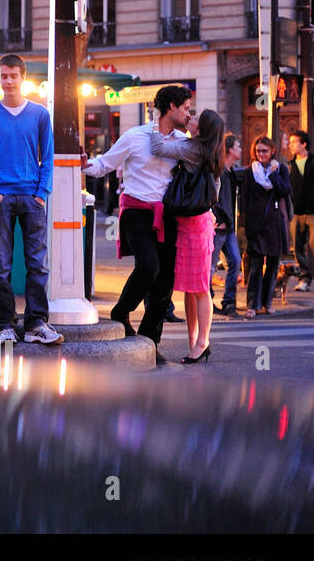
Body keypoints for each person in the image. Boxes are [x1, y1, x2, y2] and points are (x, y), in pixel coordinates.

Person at [82, 84, 193, 363]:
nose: (189, 113)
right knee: (149, 267)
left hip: (167, 214)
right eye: (186, 108)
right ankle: (121, 311)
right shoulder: (134, 136)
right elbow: (104, 165)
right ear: (171, 107)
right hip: (137, 212)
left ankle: (149, 342)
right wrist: (83, 163)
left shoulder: (183, 139)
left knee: (165, 280)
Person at [0, 55, 63, 345]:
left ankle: (37, 324)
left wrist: (42, 193)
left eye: (14, 75)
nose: (9, 81)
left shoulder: (39, 114)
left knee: (38, 264)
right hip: (2, 197)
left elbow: (48, 156)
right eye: (4, 75)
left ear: (23, 77)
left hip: (32, 197)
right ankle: (6, 326)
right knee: (1, 266)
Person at [150, 109, 225, 363]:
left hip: (194, 226)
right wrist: (210, 209)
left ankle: (202, 342)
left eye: (195, 119)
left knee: (200, 289)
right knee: (193, 289)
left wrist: (156, 119)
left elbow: (158, 147)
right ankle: (194, 341)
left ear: (201, 129)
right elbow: (215, 185)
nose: (190, 118)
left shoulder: (192, 149)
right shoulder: (211, 150)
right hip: (197, 223)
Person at [237, 136, 291, 317]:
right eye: (258, 151)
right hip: (256, 223)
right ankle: (253, 305)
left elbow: (285, 191)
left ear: (272, 151)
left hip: (275, 222)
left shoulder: (281, 169)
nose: (261, 154)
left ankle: (268, 303)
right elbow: (244, 198)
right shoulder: (250, 171)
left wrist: (274, 175)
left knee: (273, 265)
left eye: (265, 151)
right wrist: (244, 222)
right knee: (255, 265)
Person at [211, 134, 243, 317]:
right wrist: (218, 219)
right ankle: (208, 300)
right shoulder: (220, 170)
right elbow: (213, 197)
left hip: (228, 226)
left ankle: (229, 301)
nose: (241, 150)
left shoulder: (230, 171)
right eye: (238, 147)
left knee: (235, 261)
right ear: (230, 150)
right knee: (211, 266)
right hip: (219, 226)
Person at [285, 130, 314, 291]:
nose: (291, 145)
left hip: (312, 212)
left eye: (294, 142)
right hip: (296, 212)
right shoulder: (290, 165)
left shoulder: (312, 162)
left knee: (312, 245)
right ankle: (304, 279)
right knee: (298, 247)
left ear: (303, 144)